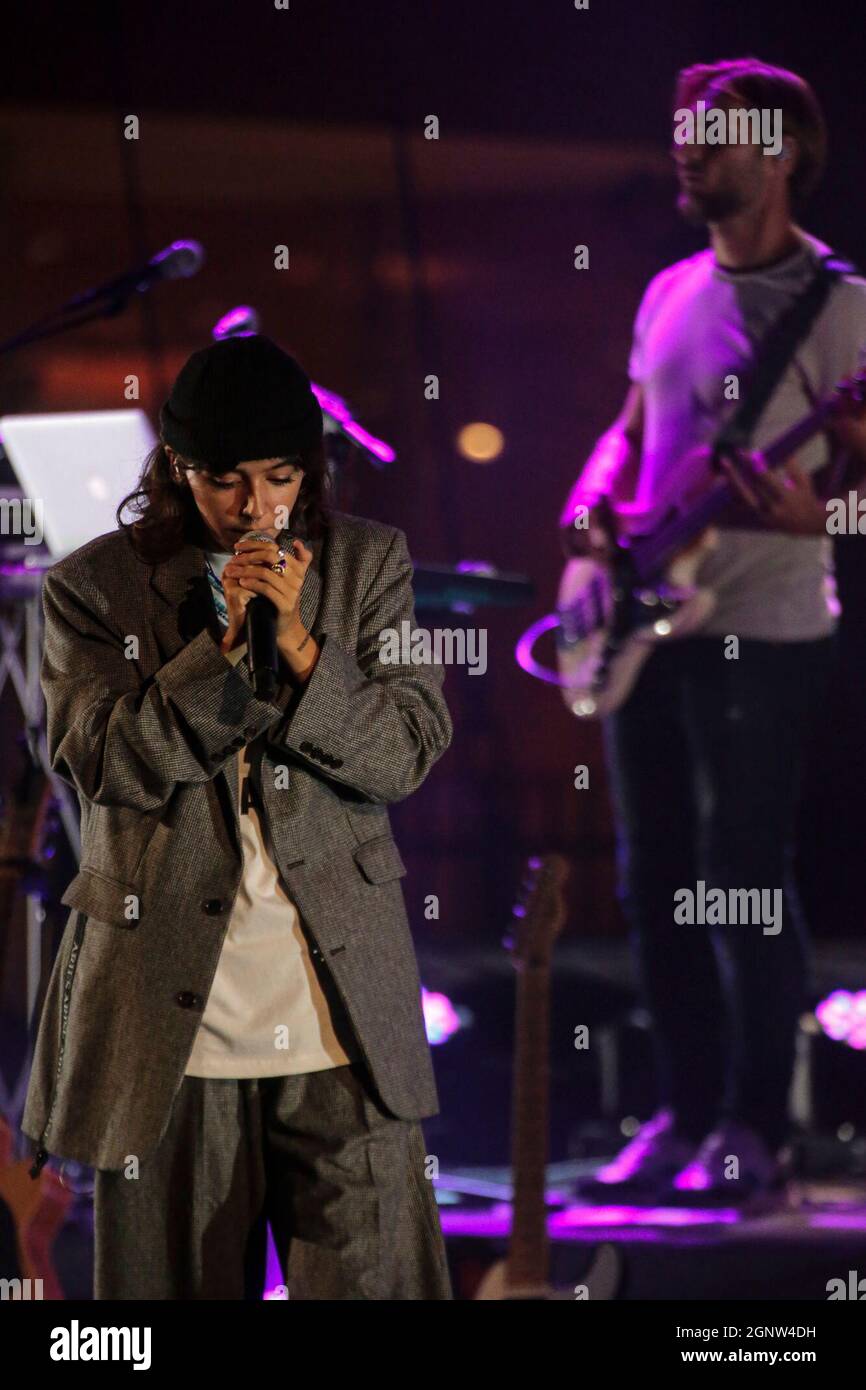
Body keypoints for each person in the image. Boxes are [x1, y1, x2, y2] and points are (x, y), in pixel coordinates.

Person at [22, 334, 454, 1298]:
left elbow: (405, 752)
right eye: (226, 481)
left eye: (282, 477)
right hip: (169, 1032)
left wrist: (302, 649)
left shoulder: (366, 567)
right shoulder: (93, 590)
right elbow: (107, 765)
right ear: (178, 470)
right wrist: (217, 662)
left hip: (346, 1025)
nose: (258, 509)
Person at [558, 59, 866, 1206]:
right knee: (654, 880)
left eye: (714, 131)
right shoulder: (668, 290)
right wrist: (590, 503)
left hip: (767, 628)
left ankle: (755, 1126)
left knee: (739, 876)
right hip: (647, 619)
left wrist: (815, 513)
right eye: (680, 125)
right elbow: (630, 426)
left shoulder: (840, 308)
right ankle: (684, 1114)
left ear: (778, 153)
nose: (687, 146)